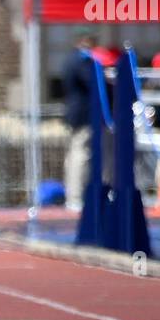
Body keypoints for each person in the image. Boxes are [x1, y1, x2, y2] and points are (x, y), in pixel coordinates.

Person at [60, 29, 96, 211]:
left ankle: (73, 195)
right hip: (82, 115)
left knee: (74, 155)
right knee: (80, 155)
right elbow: (92, 81)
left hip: (75, 114)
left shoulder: (69, 59)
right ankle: (75, 197)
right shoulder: (81, 61)